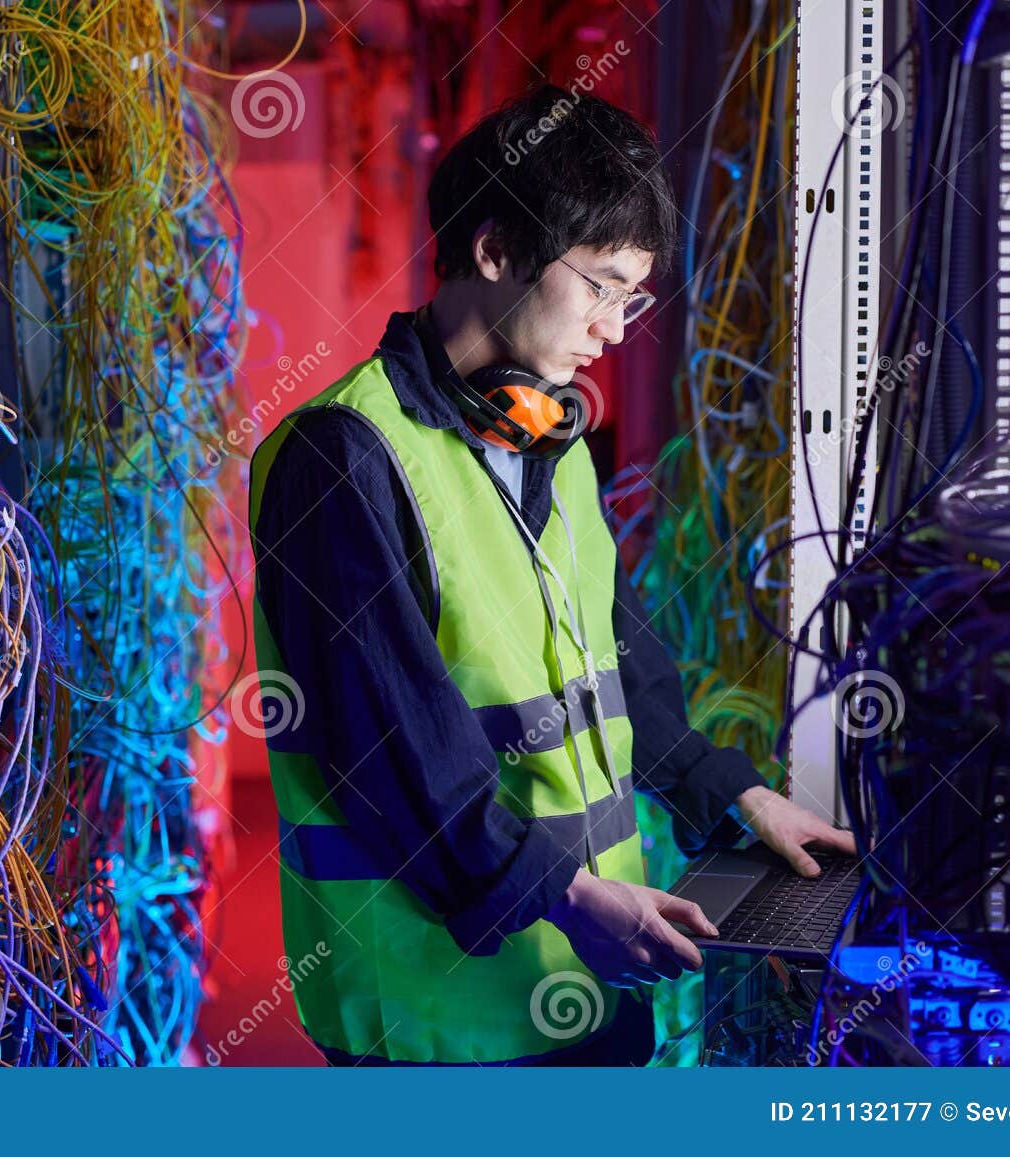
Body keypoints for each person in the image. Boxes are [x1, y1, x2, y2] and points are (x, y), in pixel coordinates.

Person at [247, 83, 854, 1067]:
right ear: (493, 250)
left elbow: (621, 675)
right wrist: (569, 899)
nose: (616, 327)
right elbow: (395, 752)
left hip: (588, 976)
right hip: (443, 1022)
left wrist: (736, 794)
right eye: (603, 285)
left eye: (634, 295)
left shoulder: (552, 438)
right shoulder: (344, 456)